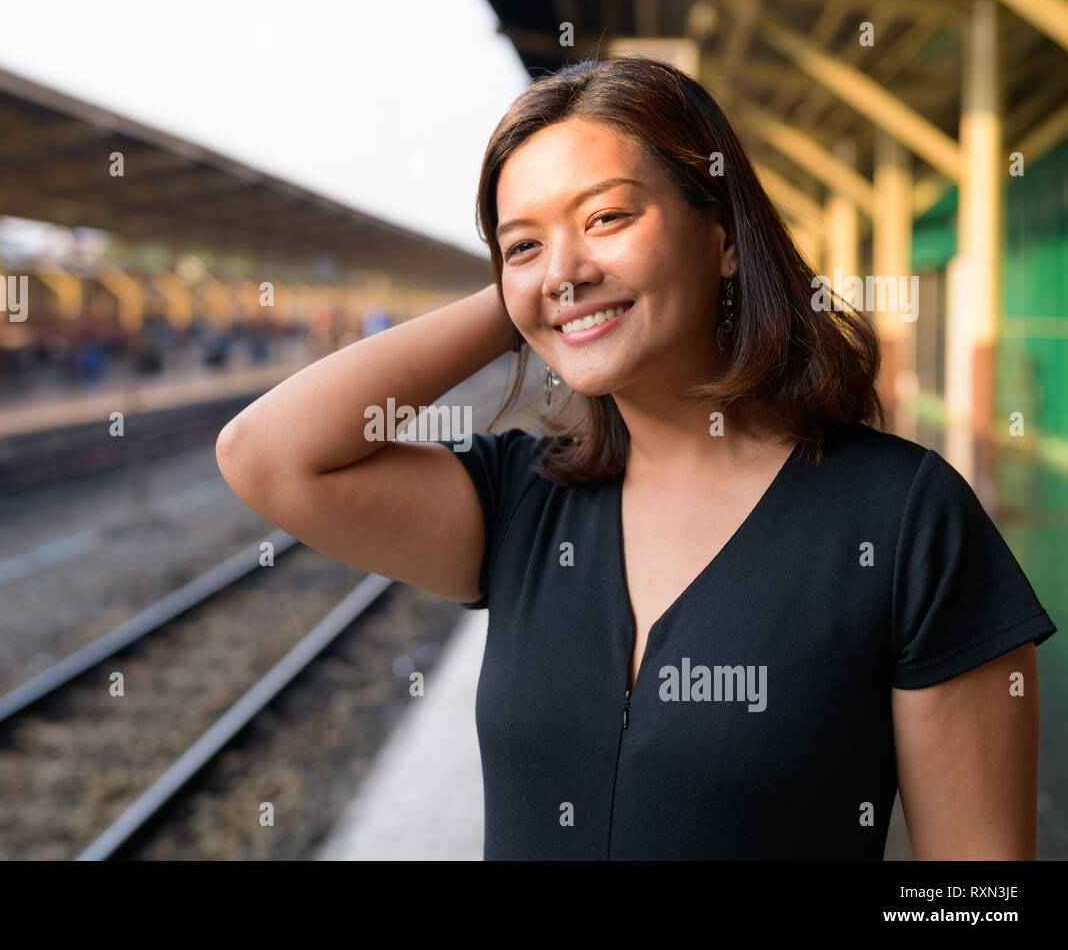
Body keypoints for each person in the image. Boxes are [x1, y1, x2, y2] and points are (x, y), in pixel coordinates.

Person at [215, 58, 1057, 860]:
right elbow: (267, 456)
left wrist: (548, 270)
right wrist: (536, 290)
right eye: (520, 244)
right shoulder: (521, 501)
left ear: (724, 238)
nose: (566, 268)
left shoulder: (905, 521)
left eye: (608, 217)